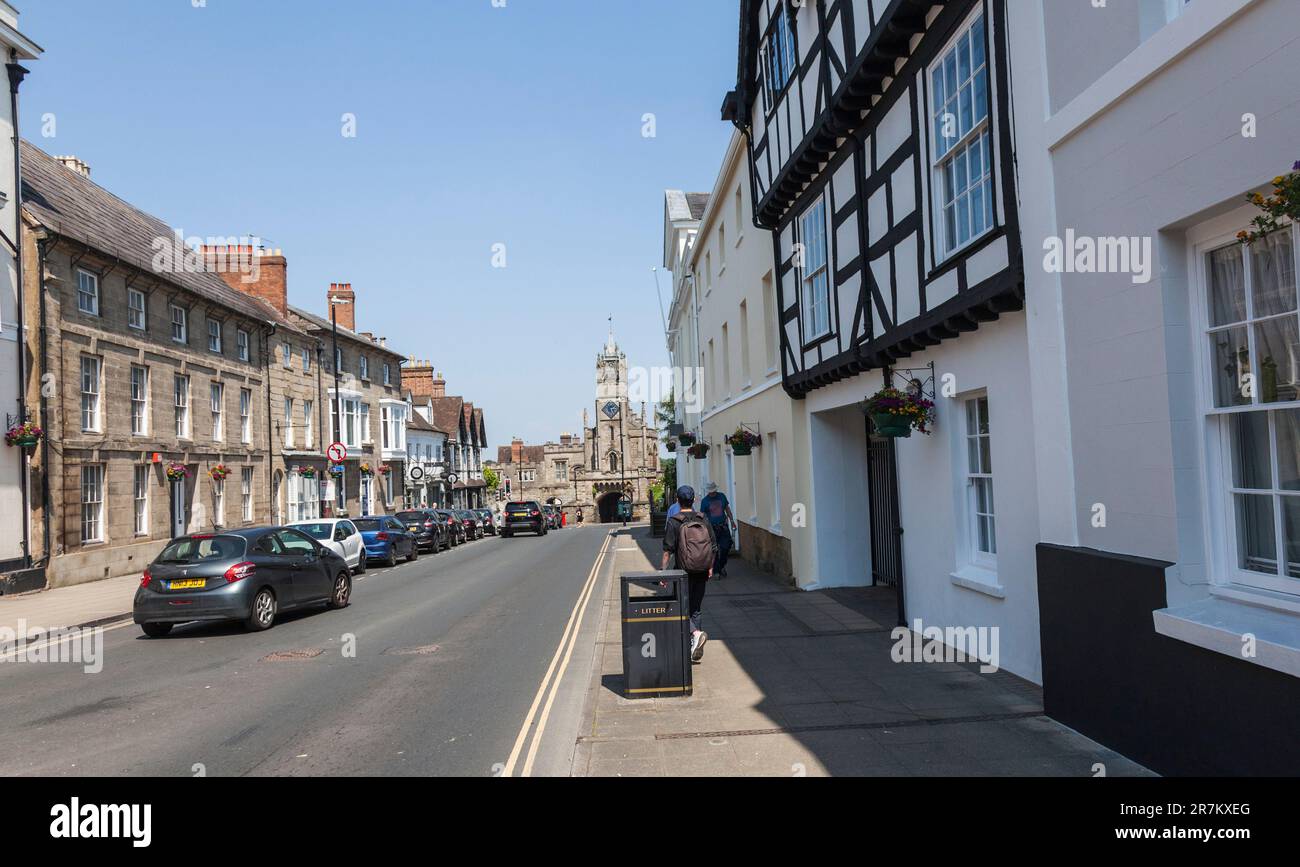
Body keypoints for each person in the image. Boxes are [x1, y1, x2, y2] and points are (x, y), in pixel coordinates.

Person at [662, 486, 717, 662]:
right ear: (694, 500)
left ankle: (695, 633)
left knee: (680, 608)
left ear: (677, 500)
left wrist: (663, 573)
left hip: (682, 572)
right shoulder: (703, 518)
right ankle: (694, 645)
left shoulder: (674, 521)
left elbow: (667, 551)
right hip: (701, 570)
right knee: (696, 610)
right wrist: (710, 566)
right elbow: (713, 546)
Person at [700, 481, 736, 577]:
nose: (712, 493)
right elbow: (703, 516)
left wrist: (732, 520)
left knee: (726, 547)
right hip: (711, 529)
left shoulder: (722, 496)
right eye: (710, 491)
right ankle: (716, 571)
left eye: (713, 491)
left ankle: (720, 566)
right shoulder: (705, 501)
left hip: (723, 526)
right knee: (714, 550)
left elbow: (727, 509)